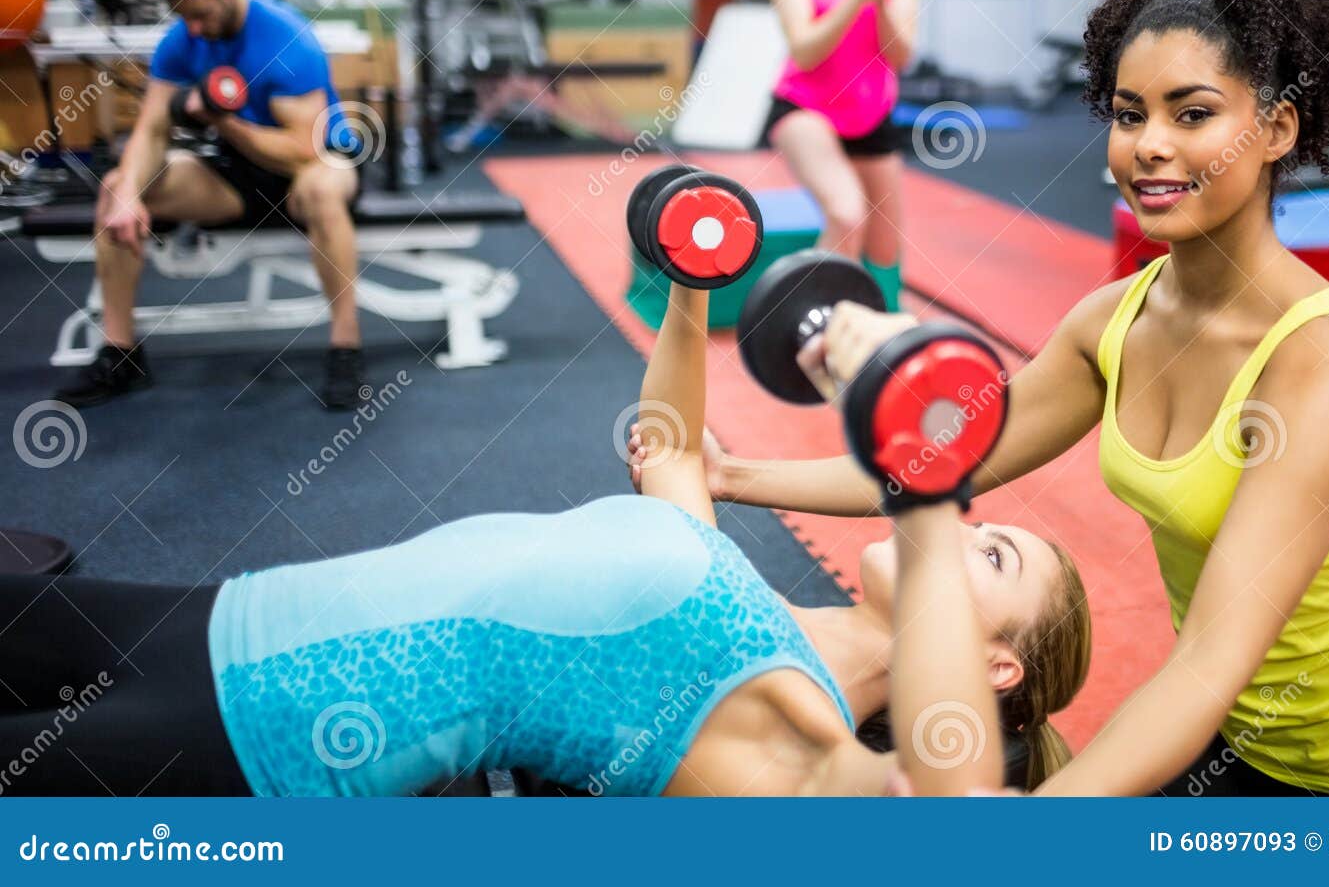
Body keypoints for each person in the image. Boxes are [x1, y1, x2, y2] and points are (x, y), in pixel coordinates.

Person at [683, 0, 1329, 797]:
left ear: (1276, 129)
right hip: (1232, 737)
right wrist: (730, 474)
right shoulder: (1114, 323)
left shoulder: (1320, 362)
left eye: (1192, 114)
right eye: (1131, 114)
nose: (1149, 145)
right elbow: (936, 460)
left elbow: (1209, 660)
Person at [0, 270, 1089, 796]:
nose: (968, 530)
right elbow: (671, 451)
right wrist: (692, 281)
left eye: (994, 553)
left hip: (269, 740)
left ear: (996, 664)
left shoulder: (795, 735)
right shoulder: (747, 591)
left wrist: (926, 484)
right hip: (238, 613)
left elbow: (941, 819)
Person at [54, 0, 368, 411]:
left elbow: (300, 151)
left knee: (323, 187)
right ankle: (121, 355)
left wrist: (222, 120)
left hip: (313, 164)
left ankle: (346, 346)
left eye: (200, 15)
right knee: (118, 184)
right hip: (236, 174)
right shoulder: (181, 42)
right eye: (184, 17)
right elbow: (151, 129)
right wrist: (130, 192)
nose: (195, 29)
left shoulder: (287, 38)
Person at [762, 0, 926, 311]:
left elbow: (901, 55)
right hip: (804, 107)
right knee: (847, 214)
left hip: (871, 112)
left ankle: (879, 335)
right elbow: (805, 50)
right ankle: (808, 321)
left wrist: (882, 0)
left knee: (884, 253)